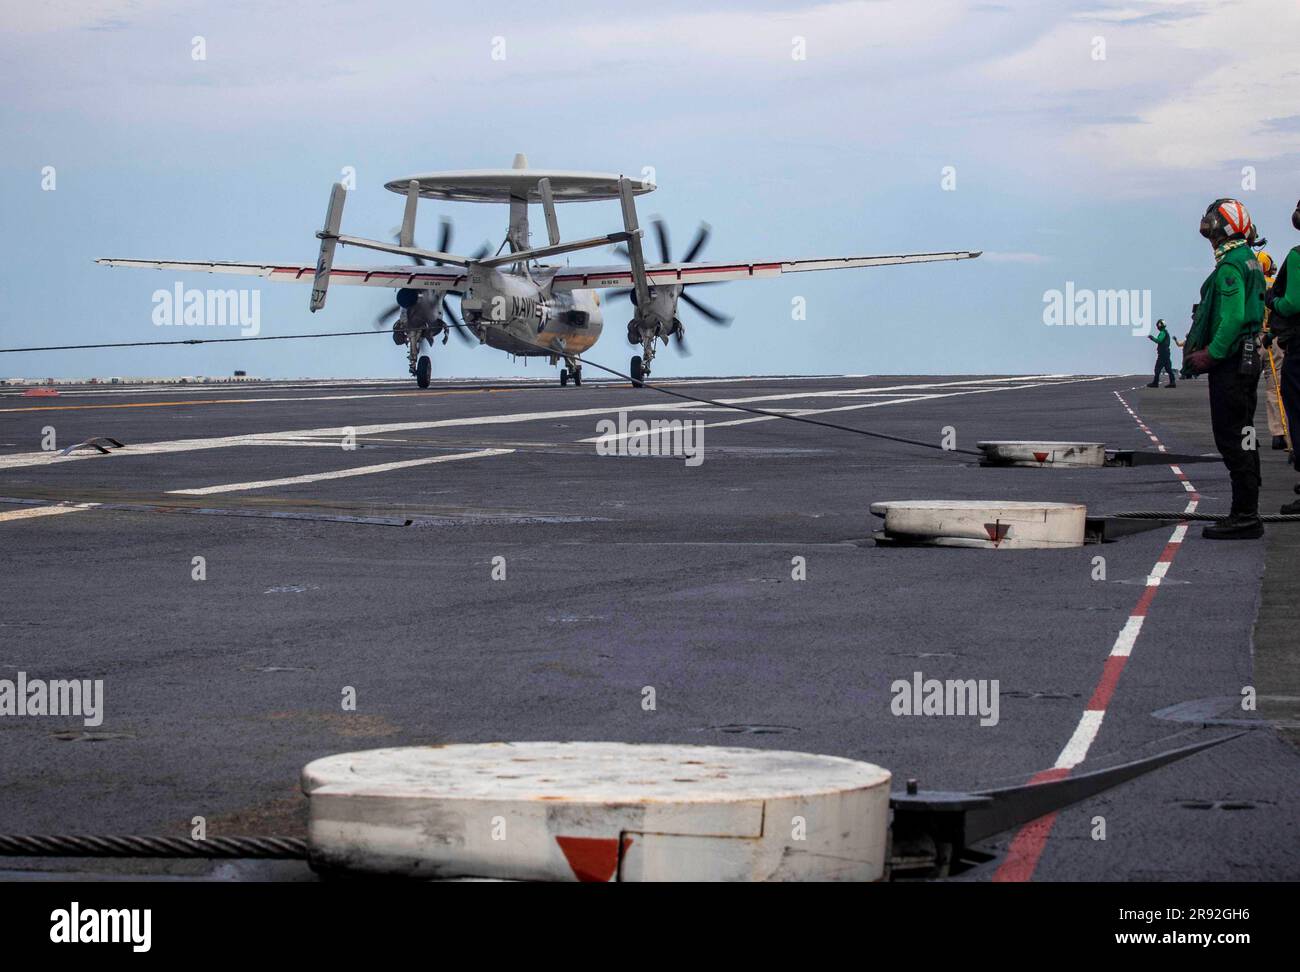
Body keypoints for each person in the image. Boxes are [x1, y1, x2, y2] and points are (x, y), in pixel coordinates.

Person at [1181, 198, 1267, 539]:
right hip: (1247, 360)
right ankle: (1247, 512)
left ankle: (1245, 517)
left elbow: (1231, 319)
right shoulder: (1250, 261)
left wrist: (1210, 355)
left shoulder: (1231, 267)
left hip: (1233, 363)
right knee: (1245, 435)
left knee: (1232, 437)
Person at [1264, 198, 1300, 514]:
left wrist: (1272, 302)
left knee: (1287, 398)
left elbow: (1291, 304)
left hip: (1295, 346)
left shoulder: (1297, 257)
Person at [1257, 250, 1289, 449]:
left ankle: (1247, 436)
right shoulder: (1275, 286)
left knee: (1245, 390)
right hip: (1274, 339)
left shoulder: (1250, 285)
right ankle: (1279, 433)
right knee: (1275, 386)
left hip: (1251, 339)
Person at [1146, 319, 1176, 387]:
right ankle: (1172, 382)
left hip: (1163, 353)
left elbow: (1159, 340)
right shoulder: (1166, 332)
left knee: (1157, 368)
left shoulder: (1163, 333)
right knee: (1168, 368)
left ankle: (1155, 383)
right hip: (1166, 352)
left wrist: (1152, 338)